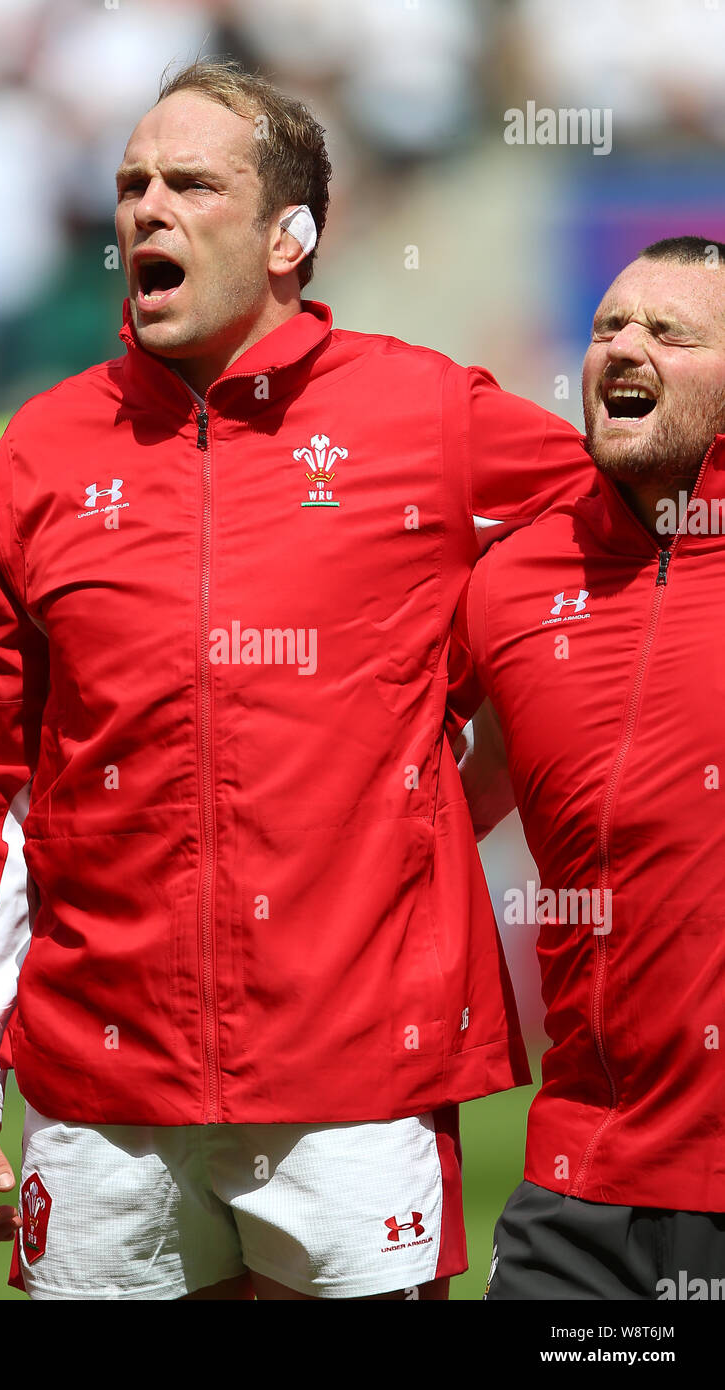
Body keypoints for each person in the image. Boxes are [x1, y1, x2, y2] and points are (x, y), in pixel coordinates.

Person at [0, 59, 595, 1302]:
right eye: (130, 185)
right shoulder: (40, 452)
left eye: (188, 183)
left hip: (354, 1076)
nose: (144, 211)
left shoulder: (429, 416)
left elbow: (631, 536)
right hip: (99, 1090)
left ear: (292, 236)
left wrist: (482, 779)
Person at [449, 236, 725, 1300]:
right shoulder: (512, 578)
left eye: (668, 332)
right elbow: (428, 802)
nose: (622, 347)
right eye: (608, 326)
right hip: (579, 1192)